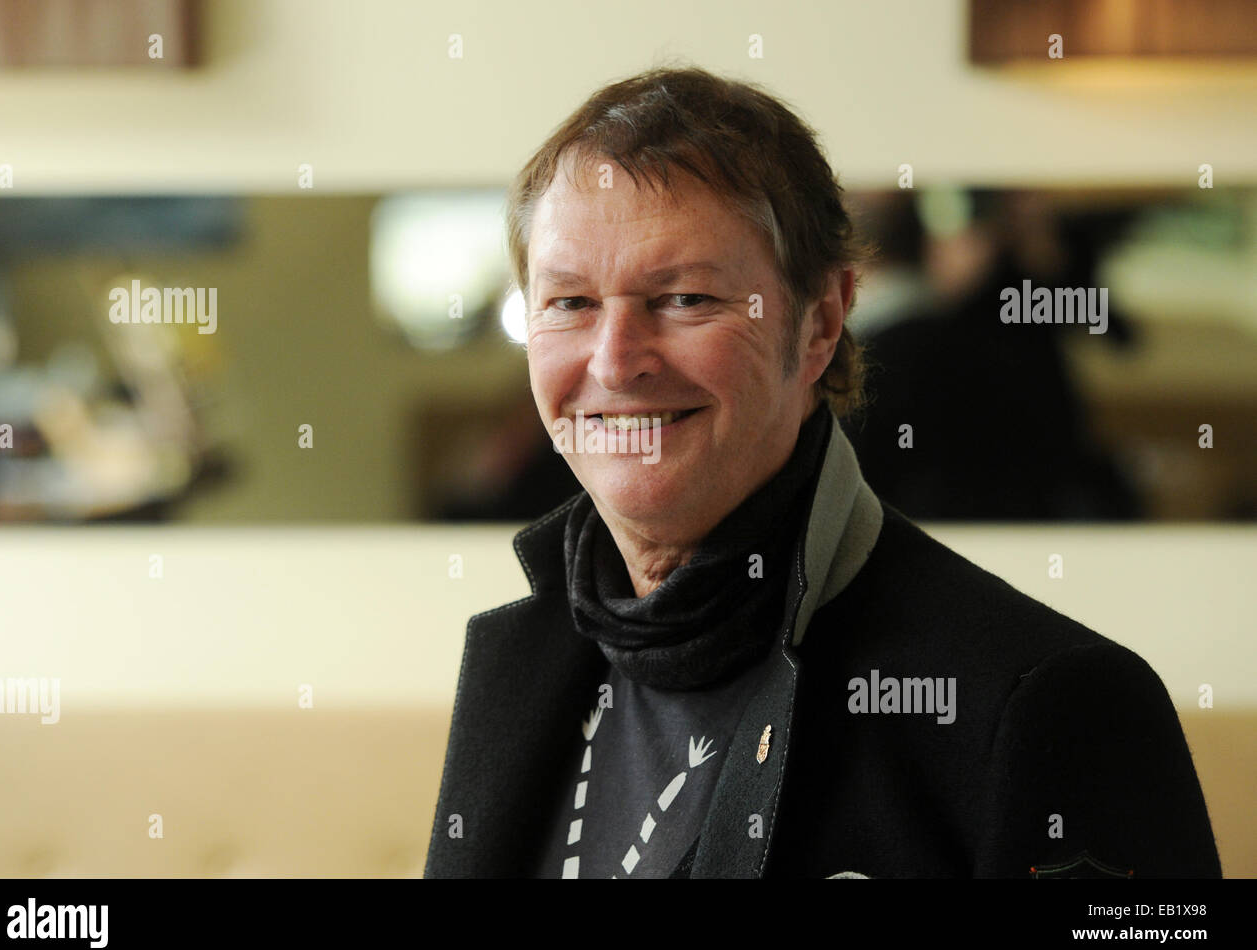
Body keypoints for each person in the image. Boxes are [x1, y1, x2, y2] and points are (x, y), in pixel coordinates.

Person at [424, 65, 1221, 878]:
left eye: (686, 298)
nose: (617, 361)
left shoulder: (1051, 709)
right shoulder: (514, 674)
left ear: (820, 323)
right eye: (570, 303)